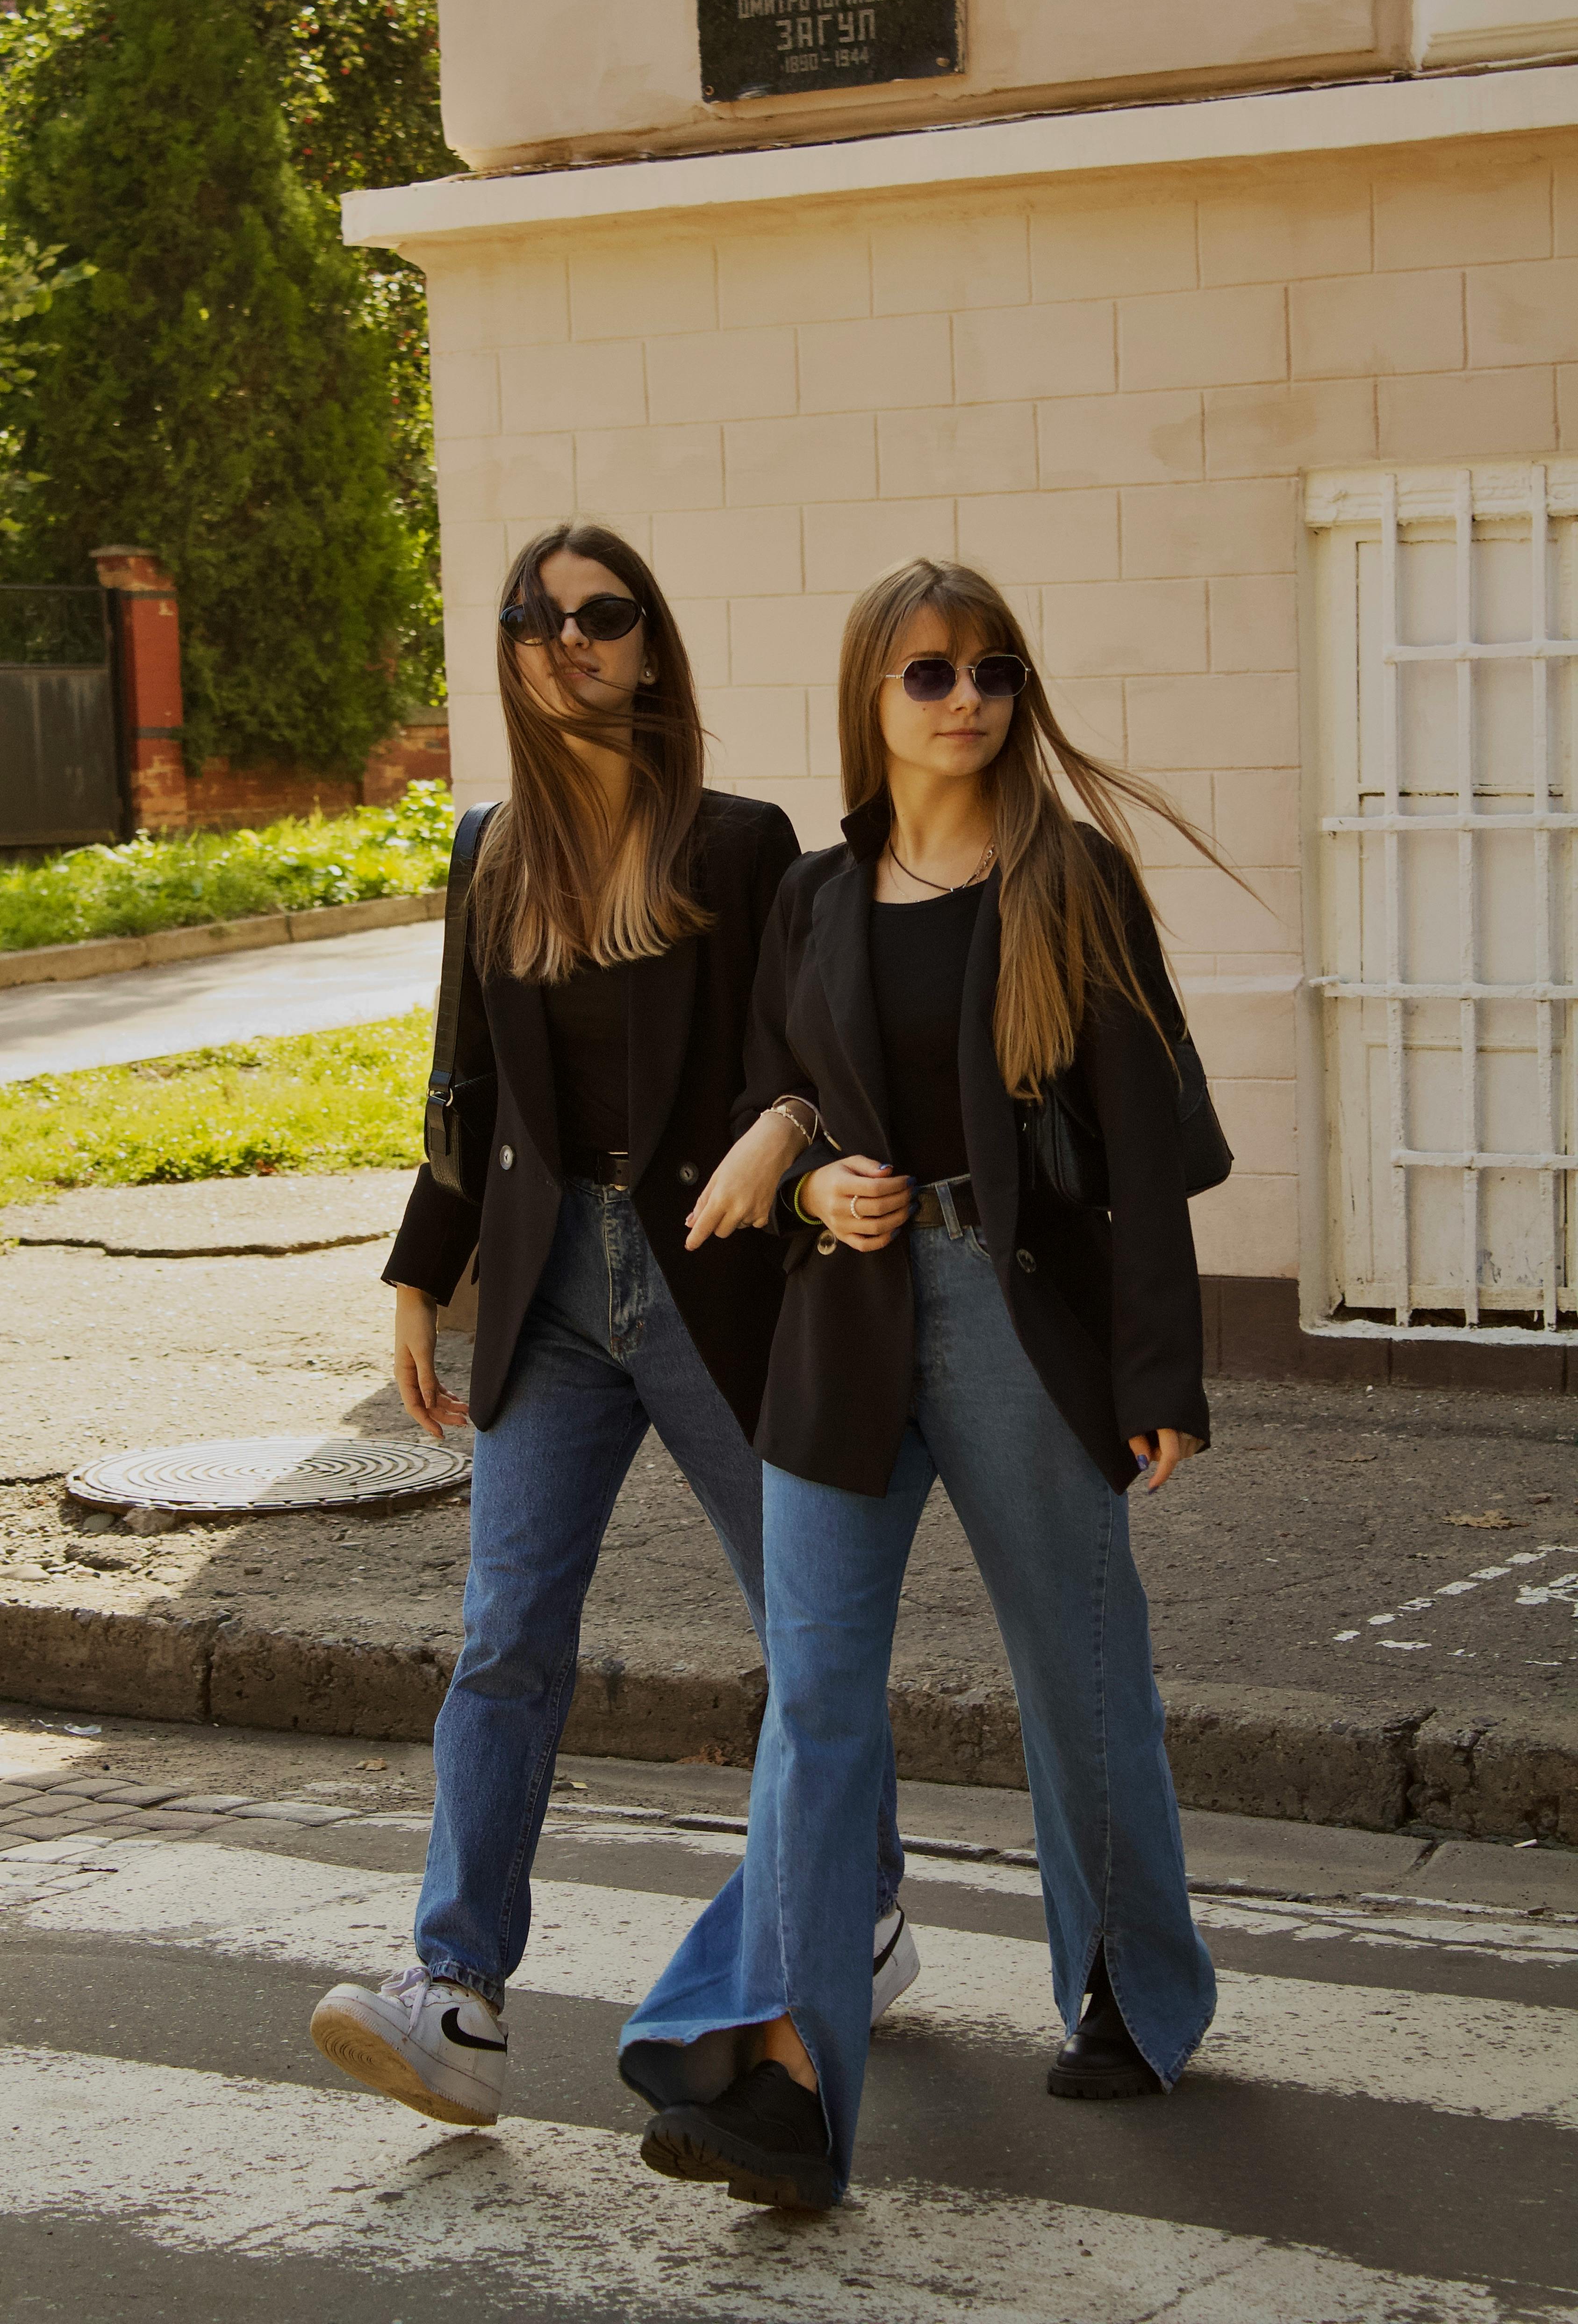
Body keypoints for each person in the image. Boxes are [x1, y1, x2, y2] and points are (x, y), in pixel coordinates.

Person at [618, 556, 1226, 2209]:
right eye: (932, 675)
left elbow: (1152, 1161)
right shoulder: (813, 898)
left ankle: (1127, 1985)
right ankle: (790, 2078)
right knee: (814, 1704)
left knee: (1076, 1669)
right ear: (870, 701)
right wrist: (811, 1180)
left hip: (1018, 1318)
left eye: (994, 673)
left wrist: (1160, 1368)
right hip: (844, 1325)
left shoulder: (1069, 881)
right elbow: (782, 1081)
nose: (969, 700)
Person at [308, 522, 910, 2130]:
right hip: (552, 1299)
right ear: (510, 650)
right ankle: (458, 1993)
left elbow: (801, 1060)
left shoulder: (735, 841)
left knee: (808, 1630)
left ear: (650, 646)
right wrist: (417, 1275)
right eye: (538, 618)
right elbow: (465, 1086)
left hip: (713, 1286)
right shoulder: (490, 849)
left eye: (604, 616)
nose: (570, 640)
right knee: (507, 1639)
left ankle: (859, 1912)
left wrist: (791, 1167)